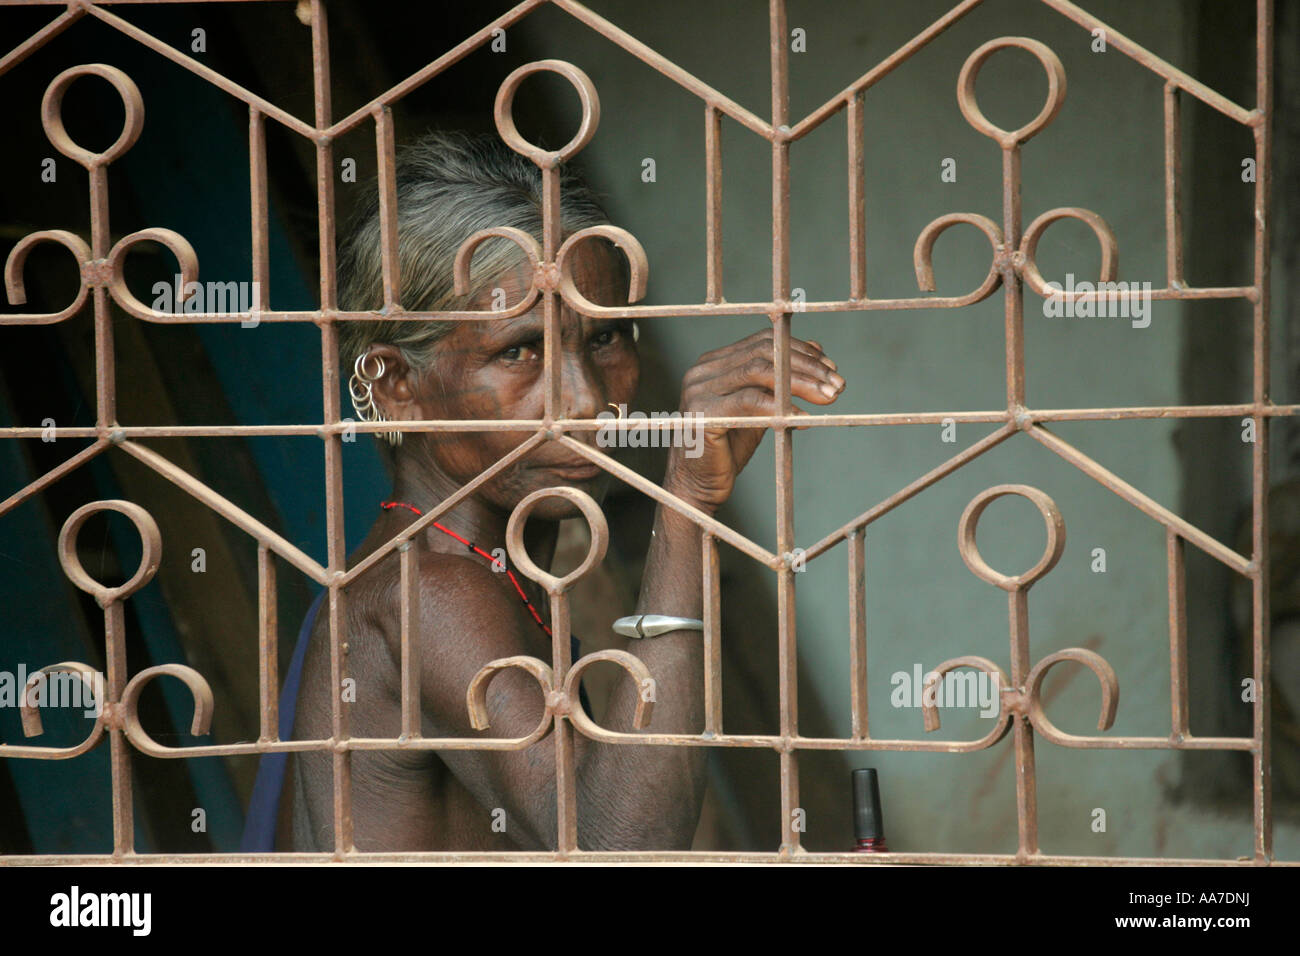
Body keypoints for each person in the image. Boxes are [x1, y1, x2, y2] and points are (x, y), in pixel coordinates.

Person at [242, 130, 845, 852]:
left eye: (604, 340)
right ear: (397, 388)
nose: (586, 400)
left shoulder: (459, 571)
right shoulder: (434, 592)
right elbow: (623, 848)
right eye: (518, 351)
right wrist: (685, 506)